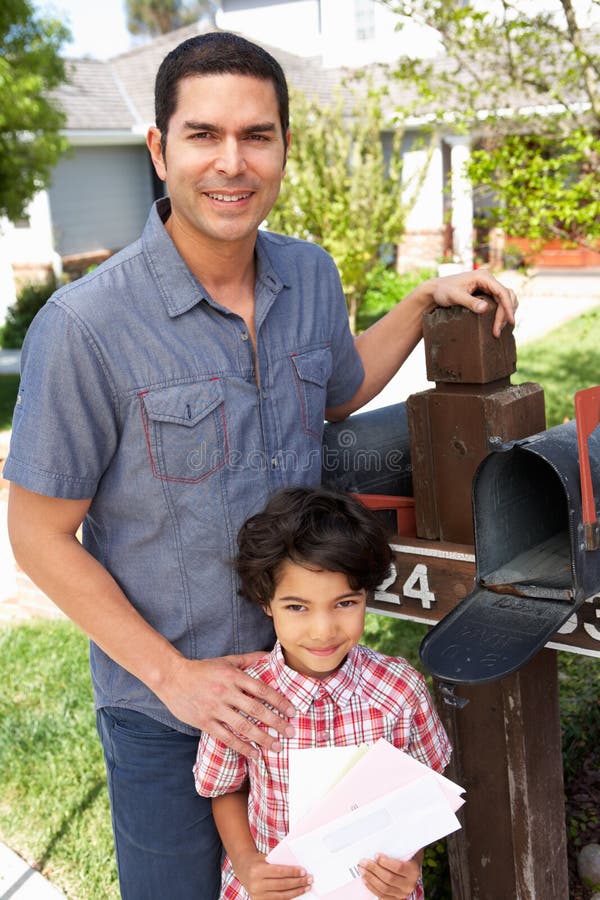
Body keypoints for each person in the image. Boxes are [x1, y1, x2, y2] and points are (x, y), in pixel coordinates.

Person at [4, 30, 515, 900]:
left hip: (315, 688)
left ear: (283, 146)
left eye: (257, 135)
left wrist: (424, 300)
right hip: (170, 708)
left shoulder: (309, 276)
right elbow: (37, 535)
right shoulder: (86, 325)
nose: (231, 162)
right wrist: (176, 679)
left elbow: (339, 385)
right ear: (162, 150)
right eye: (203, 135)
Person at [194, 486, 451, 900]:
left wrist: (410, 866)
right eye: (297, 607)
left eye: (345, 603)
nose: (323, 630)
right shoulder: (243, 698)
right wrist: (246, 863)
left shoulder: (401, 691)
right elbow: (225, 788)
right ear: (265, 601)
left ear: (367, 594)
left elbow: (421, 793)